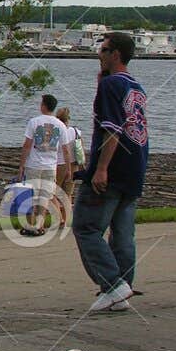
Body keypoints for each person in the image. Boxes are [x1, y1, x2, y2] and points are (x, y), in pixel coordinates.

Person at [76, 32, 149, 312]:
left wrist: (102, 168)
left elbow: (112, 129)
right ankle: (123, 286)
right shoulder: (135, 86)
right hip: (135, 166)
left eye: (103, 49)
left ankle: (112, 284)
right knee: (122, 233)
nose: (99, 54)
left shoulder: (111, 85)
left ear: (115, 54)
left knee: (87, 227)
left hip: (114, 167)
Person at [18, 93, 72, 236]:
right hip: (50, 166)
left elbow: (27, 145)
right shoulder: (60, 125)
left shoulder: (34, 122)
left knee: (31, 196)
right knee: (44, 197)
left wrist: (21, 165)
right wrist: (68, 169)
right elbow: (66, 150)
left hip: (34, 164)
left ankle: (31, 224)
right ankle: (39, 225)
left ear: (44, 106)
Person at [54, 105, 83, 230]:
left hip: (60, 164)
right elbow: (81, 149)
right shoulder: (76, 131)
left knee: (53, 192)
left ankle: (59, 218)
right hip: (74, 164)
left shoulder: (58, 132)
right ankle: (67, 219)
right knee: (68, 193)